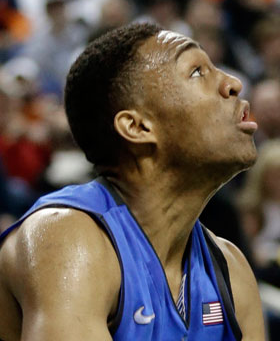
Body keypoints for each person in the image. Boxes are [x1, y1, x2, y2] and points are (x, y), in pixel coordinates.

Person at [0, 21, 265, 339]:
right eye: (197, 71)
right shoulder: (67, 237)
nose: (233, 83)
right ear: (138, 127)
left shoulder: (231, 270)